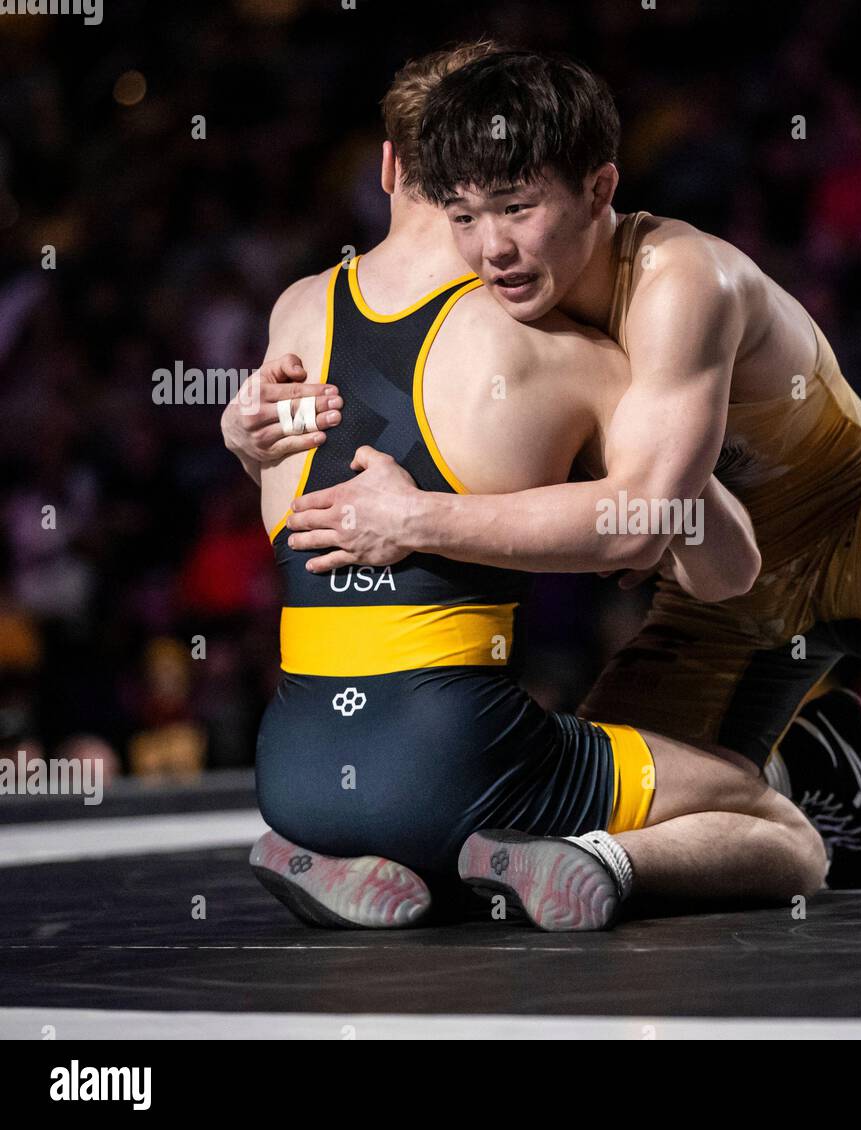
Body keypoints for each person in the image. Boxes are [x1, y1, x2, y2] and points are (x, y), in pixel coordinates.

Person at [271, 47, 861, 900]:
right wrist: (250, 422)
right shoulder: (500, 307)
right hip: (711, 597)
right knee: (537, 815)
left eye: (517, 211)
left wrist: (417, 521)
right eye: (467, 218)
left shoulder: (678, 277)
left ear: (599, 191)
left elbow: (636, 522)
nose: (493, 248)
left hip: (846, 529)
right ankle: (815, 762)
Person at [232, 47, 827, 933]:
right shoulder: (560, 351)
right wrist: (664, 464)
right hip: (453, 758)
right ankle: (597, 859)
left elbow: (287, 488)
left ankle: (344, 851)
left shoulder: (292, 316)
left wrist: (241, 444)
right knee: (780, 829)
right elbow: (717, 563)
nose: (498, 245)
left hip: (290, 766)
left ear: (391, 167)